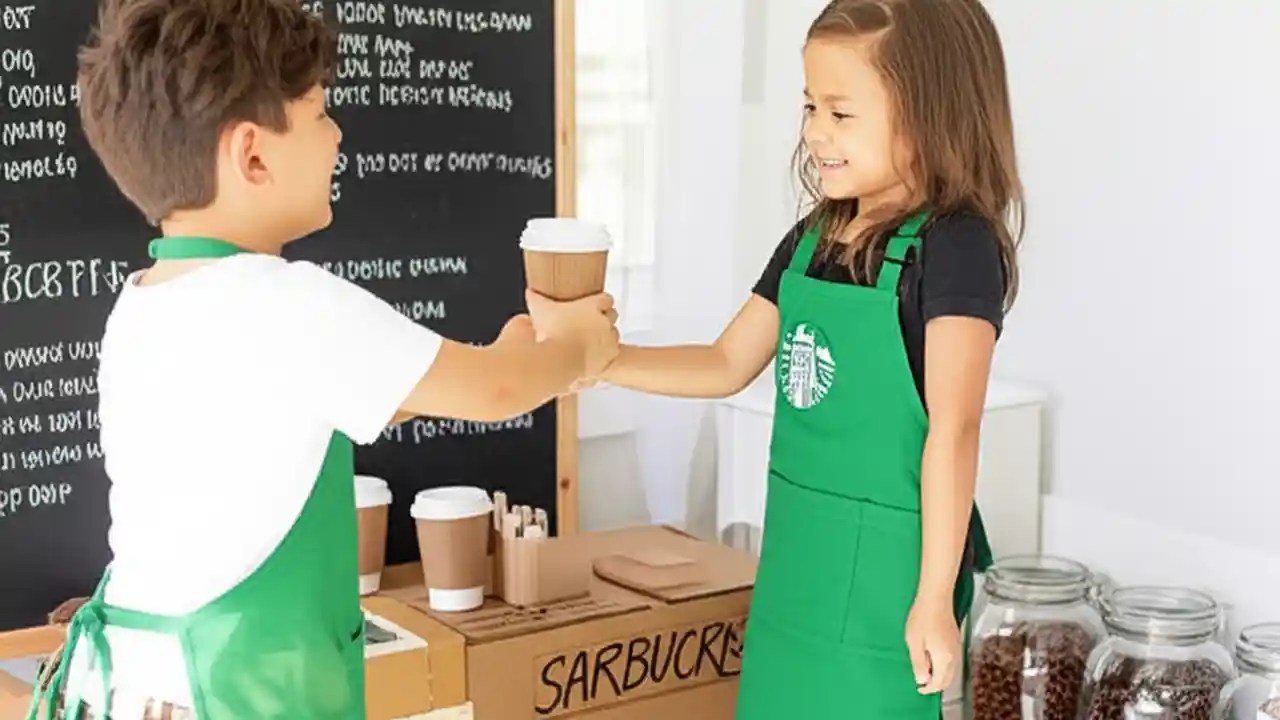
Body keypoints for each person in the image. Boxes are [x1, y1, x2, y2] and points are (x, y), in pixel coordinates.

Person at [27, 1, 616, 718]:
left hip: (131, 685)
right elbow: (495, 393)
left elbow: (315, 409)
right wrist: (577, 346)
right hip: (232, 695)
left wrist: (506, 356)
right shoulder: (288, 303)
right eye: (319, 113)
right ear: (252, 156)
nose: (338, 134)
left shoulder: (144, 305)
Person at [594, 0, 1020, 716]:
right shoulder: (814, 238)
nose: (816, 132)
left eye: (841, 113)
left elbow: (955, 431)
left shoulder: (956, 248)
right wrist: (603, 361)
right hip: (797, 561)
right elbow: (726, 362)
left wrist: (931, 601)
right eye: (810, 107)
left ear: (930, 113)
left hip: (889, 578)